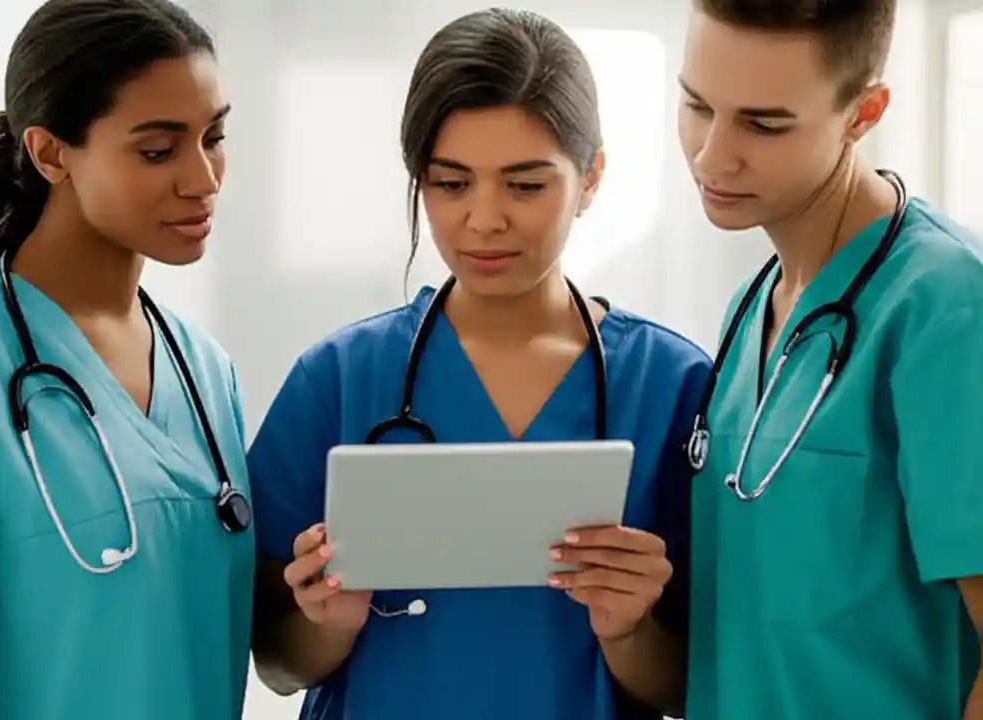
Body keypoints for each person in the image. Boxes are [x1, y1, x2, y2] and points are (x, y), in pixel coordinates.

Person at [246, 9, 711, 719]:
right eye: (451, 183)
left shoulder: (669, 385)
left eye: (525, 186)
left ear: (591, 177)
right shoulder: (338, 379)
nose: (485, 220)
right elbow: (278, 666)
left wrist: (628, 629)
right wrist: (327, 624)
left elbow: (691, 688)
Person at [676, 1, 983, 718]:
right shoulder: (752, 307)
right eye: (697, 105)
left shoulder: (946, 307)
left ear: (862, 113)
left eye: (763, 124)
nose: (712, 155)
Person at [0, 1, 254, 718]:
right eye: (157, 151)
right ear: (51, 154)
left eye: (213, 137)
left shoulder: (206, 370)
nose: (203, 178)